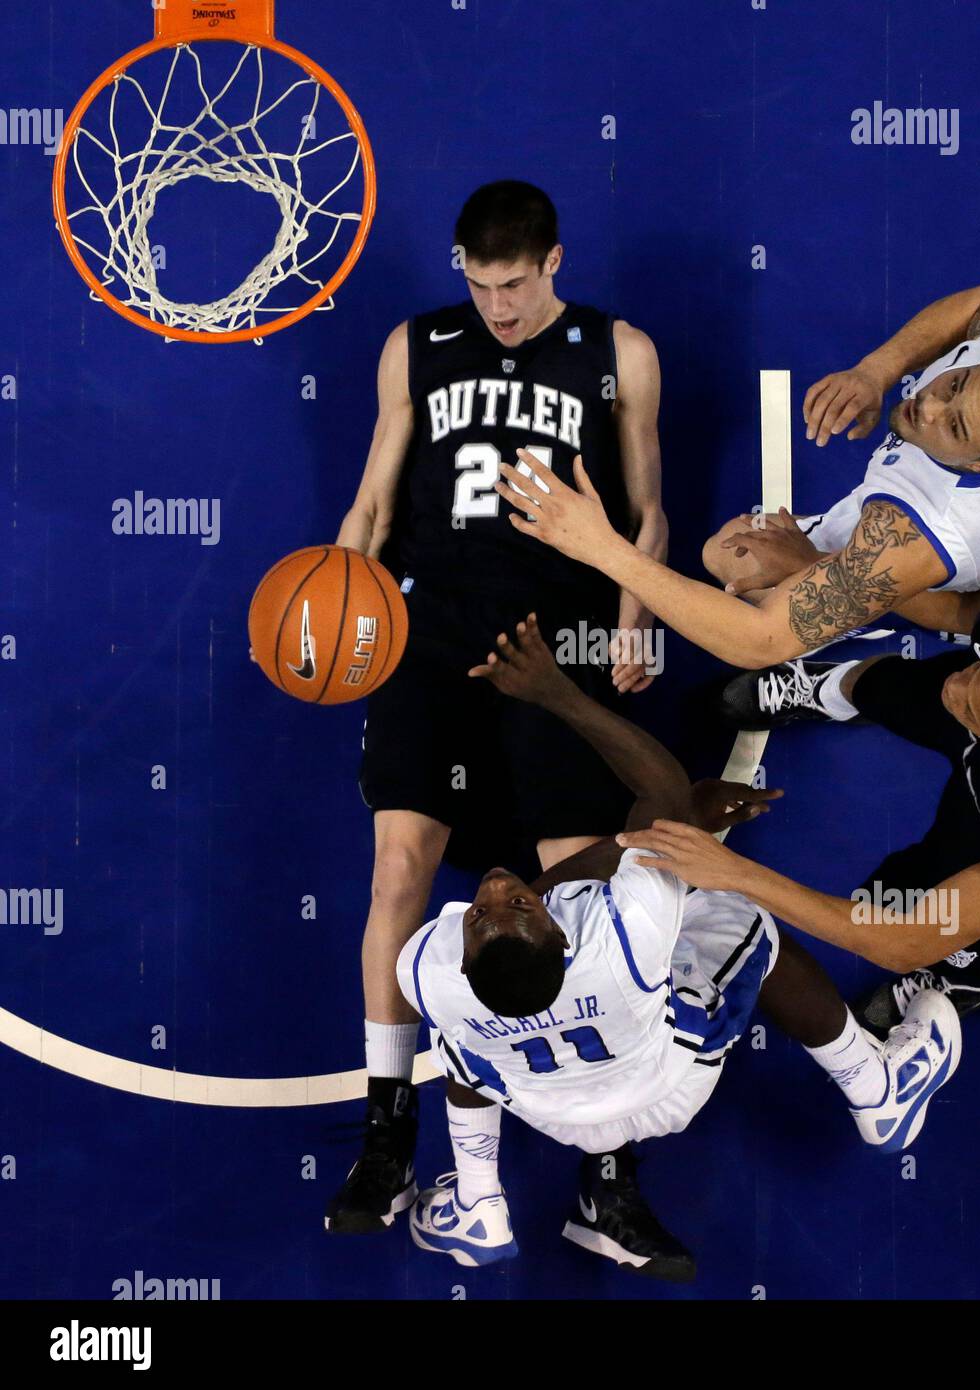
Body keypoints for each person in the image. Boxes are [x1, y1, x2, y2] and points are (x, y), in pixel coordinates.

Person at [397, 616, 962, 1279]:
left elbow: (629, 848)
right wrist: (557, 694)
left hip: (551, 1113)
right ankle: (875, 1088)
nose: (493, 887)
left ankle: (477, 1200)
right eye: (513, 905)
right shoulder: (623, 941)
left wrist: (675, 822)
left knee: (459, 1044)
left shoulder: (428, 967)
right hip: (664, 1090)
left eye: (486, 909)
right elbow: (656, 798)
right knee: (739, 919)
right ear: (555, 935)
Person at [324, 180, 670, 1233]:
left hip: (560, 640)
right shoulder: (416, 345)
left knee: (579, 885)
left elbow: (648, 508)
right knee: (398, 869)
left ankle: (606, 1175)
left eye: (513, 286)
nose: (497, 309)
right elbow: (378, 499)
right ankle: (388, 1134)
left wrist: (635, 613)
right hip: (430, 635)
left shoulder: (621, 353)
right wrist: (342, 598)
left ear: (553, 261)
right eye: (478, 285)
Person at [486, 214, 980, 673]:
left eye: (954, 422)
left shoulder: (913, 530)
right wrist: (873, 371)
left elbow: (760, 644)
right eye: (953, 382)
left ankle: (856, 611)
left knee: (742, 574)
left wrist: (597, 544)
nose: (929, 401)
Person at [620, 582, 980, 1033]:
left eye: (968, 709)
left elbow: (902, 940)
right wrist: (820, 567)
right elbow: (958, 610)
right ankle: (824, 691)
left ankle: (976, 980)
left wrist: (733, 874)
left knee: (919, 903)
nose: (955, 692)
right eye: (974, 672)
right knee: (897, 683)